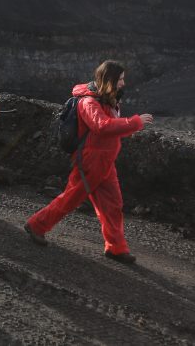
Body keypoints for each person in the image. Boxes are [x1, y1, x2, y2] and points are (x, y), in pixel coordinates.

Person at [25, 60, 153, 263]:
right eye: (120, 79)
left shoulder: (107, 99)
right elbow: (101, 126)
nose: (123, 84)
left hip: (105, 161)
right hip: (91, 161)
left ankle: (116, 248)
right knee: (71, 198)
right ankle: (36, 225)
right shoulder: (89, 102)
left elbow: (108, 127)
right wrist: (135, 122)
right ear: (109, 80)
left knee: (113, 204)